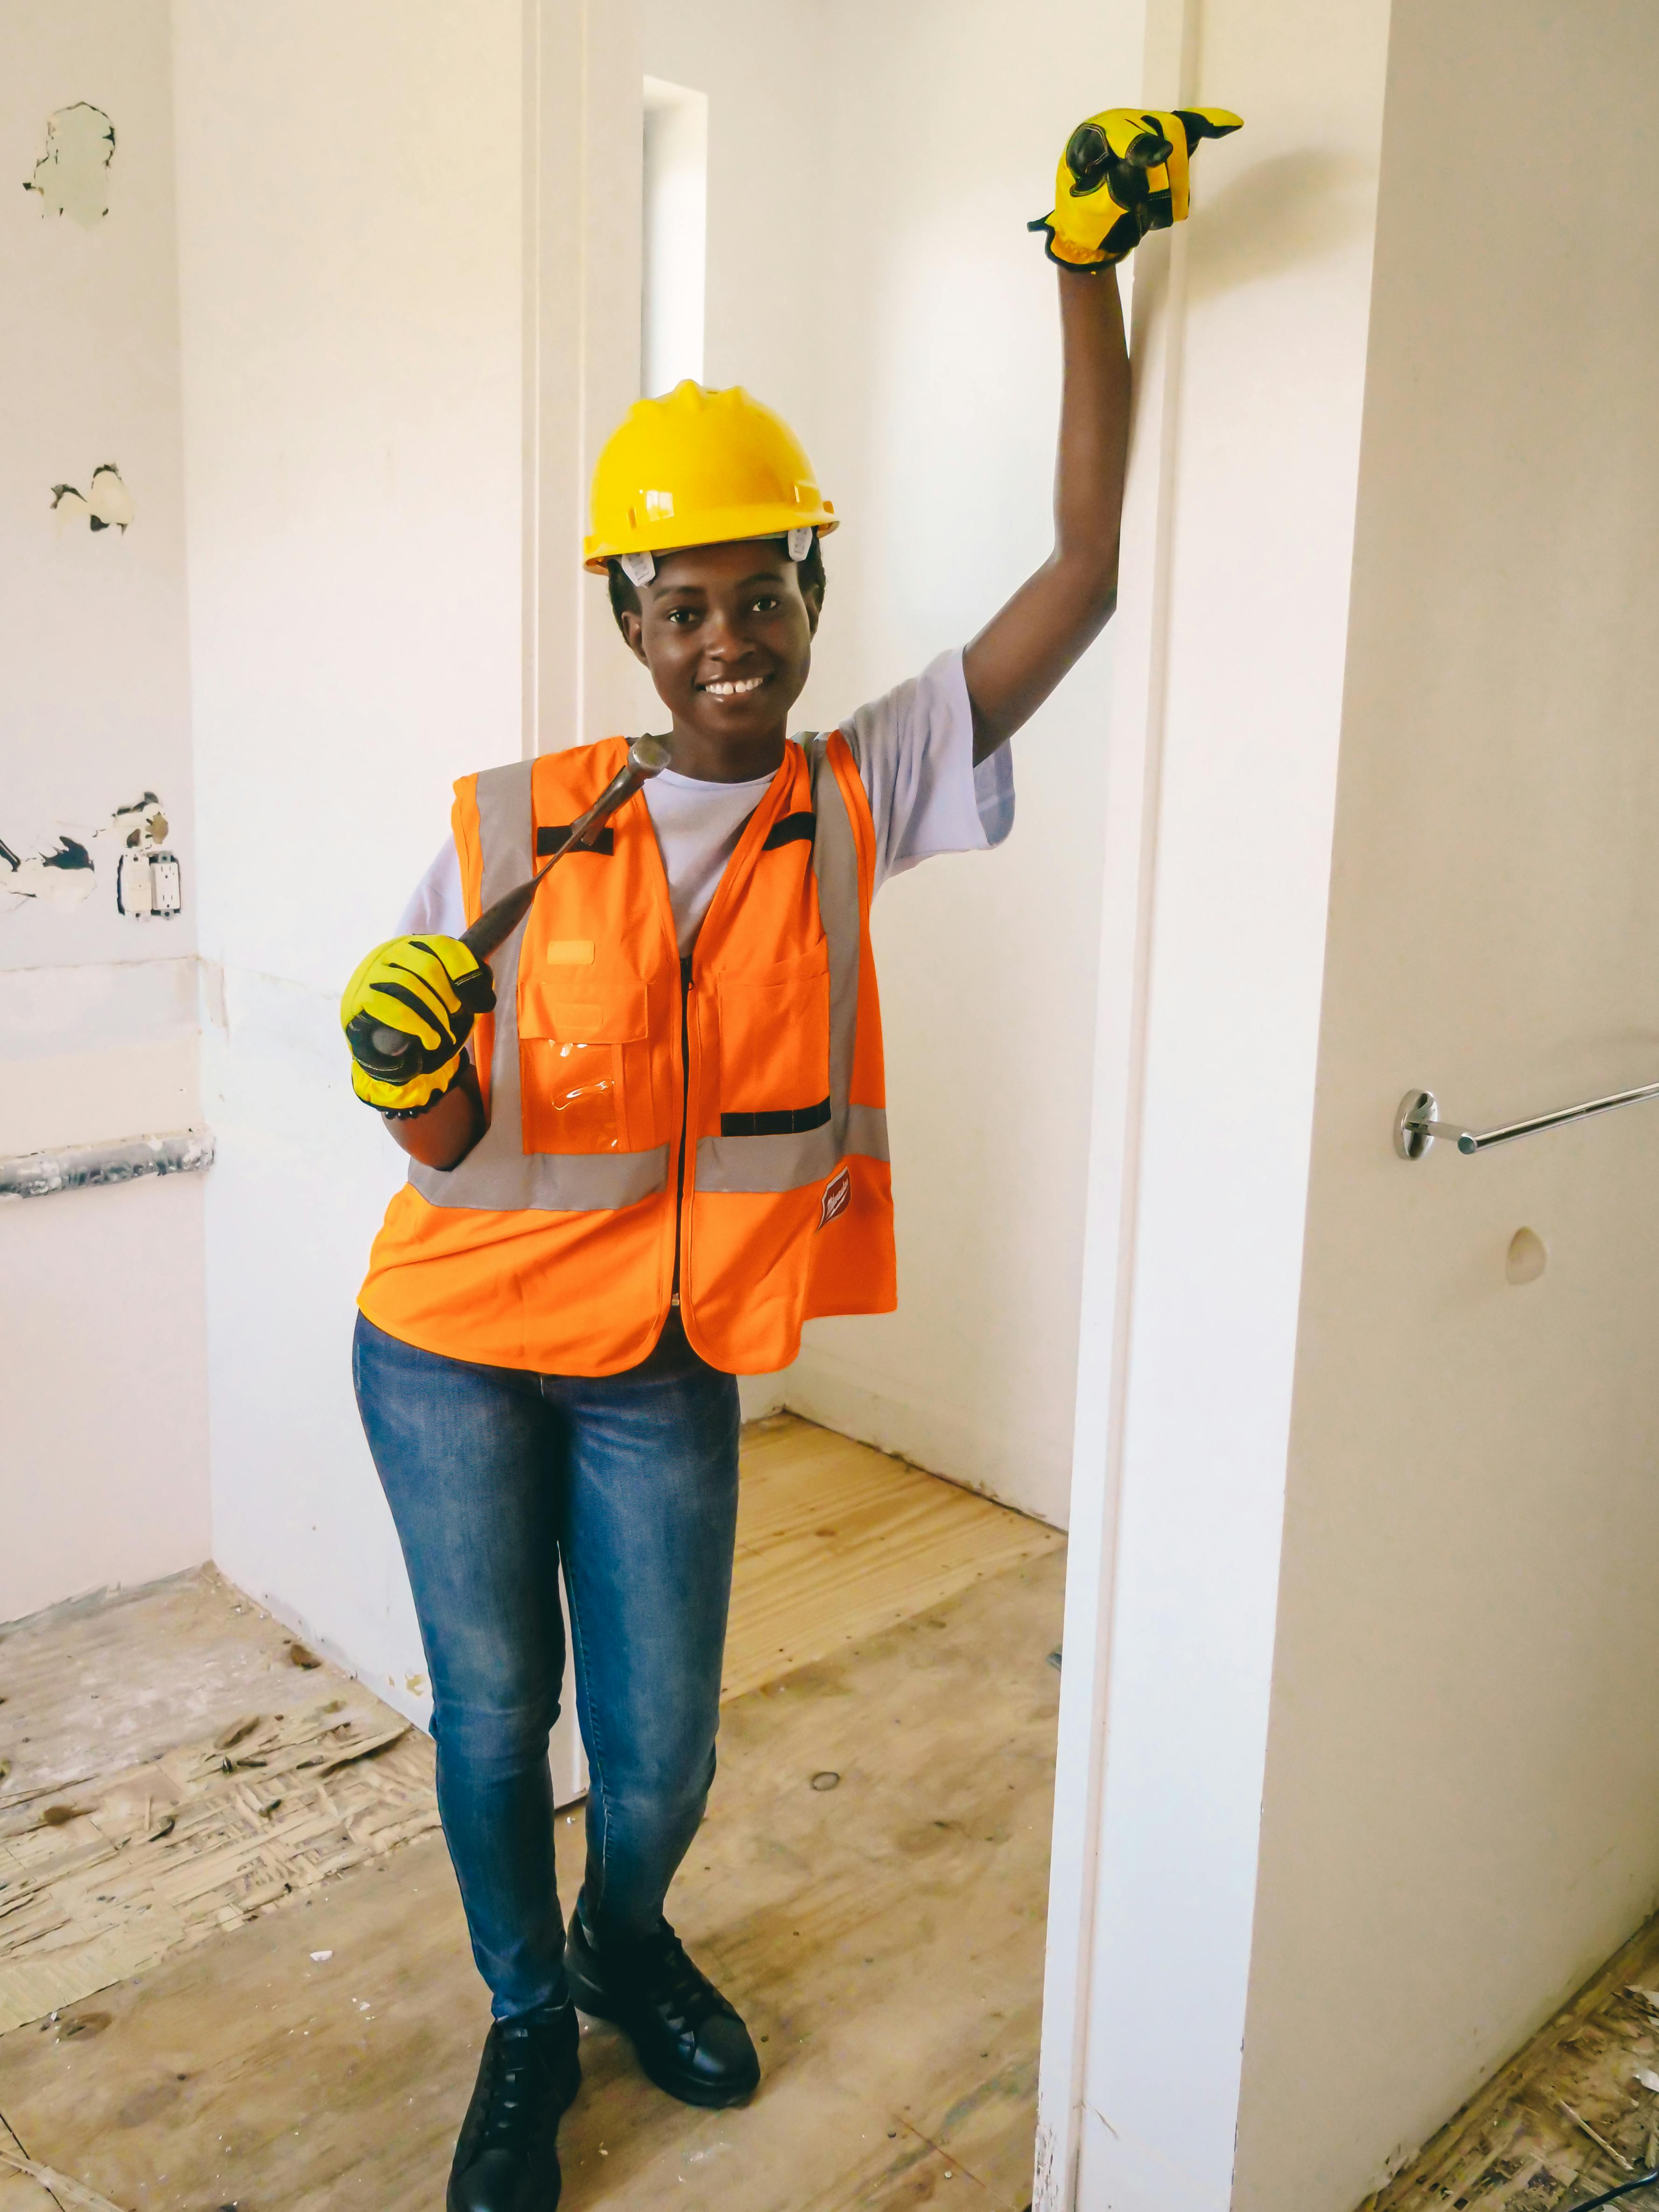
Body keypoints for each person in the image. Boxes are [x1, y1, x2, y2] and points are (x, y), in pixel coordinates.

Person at [341, 101, 1236, 2212]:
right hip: (453, 1344)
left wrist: (1076, 267)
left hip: (666, 1363)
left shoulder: (860, 794)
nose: (726, 642)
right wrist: (400, 1079)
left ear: (807, 596)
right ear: (630, 623)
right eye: (683, 608)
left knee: (652, 1757)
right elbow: (450, 1132)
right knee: (494, 1721)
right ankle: (525, 2025)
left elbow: (1085, 576)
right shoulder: (504, 824)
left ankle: (624, 1930)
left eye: (762, 597)